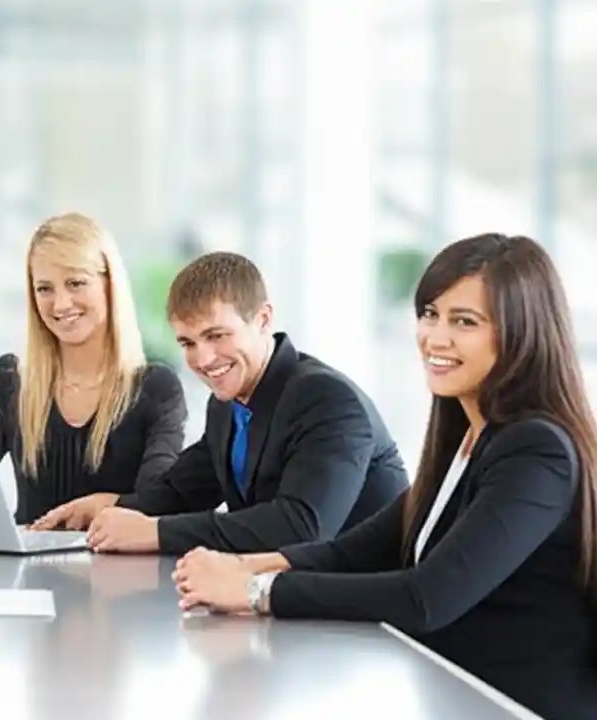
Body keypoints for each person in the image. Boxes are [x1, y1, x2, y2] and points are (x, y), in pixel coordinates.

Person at [174, 234, 597, 719]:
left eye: (464, 322)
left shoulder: (536, 451)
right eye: (429, 314)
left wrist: (256, 591)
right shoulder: (469, 440)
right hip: (445, 695)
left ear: (522, 332)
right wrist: (245, 568)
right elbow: (353, 552)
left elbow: (426, 596)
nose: (435, 337)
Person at [83, 251, 407, 554]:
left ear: (263, 319)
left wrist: (156, 532)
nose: (202, 359)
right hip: (290, 595)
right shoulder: (227, 403)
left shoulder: (327, 399)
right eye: (188, 342)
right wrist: (112, 507)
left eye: (216, 336)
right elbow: (185, 491)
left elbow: (300, 527)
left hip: (366, 603)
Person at [0, 212, 188, 529]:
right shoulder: (11, 380)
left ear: (109, 285)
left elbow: (158, 499)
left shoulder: (155, 388)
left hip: (119, 572)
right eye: (44, 289)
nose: (60, 305)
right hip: (28, 574)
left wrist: (107, 504)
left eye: (75, 283)